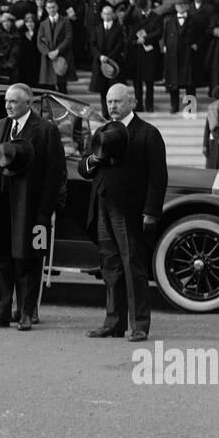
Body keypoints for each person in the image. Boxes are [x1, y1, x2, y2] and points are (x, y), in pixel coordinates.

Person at [79, 84, 167, 341]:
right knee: (110, 267)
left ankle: (139, 325)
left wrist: (151, 212)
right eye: (109, 101)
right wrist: (94, 159)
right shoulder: (102, 131)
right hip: (103, 205)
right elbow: (85, 169)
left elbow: (158, 177)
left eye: (117, 101)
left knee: (133, 267)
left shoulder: (148, 133)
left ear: (132, 102)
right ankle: (113, 323)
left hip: (130, 210)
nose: (112, 106)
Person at [0, 83, 66, 331]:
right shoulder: (1, 125)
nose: (8, 105)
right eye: (6, 101)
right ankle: (2, 313)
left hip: (30, 206)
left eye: (13, 101)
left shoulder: (46, 130)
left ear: (28, 103)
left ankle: (27, 313)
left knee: (28, 258)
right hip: (0, 203)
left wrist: (44, 212)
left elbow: (55, 174)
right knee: (3, 258)